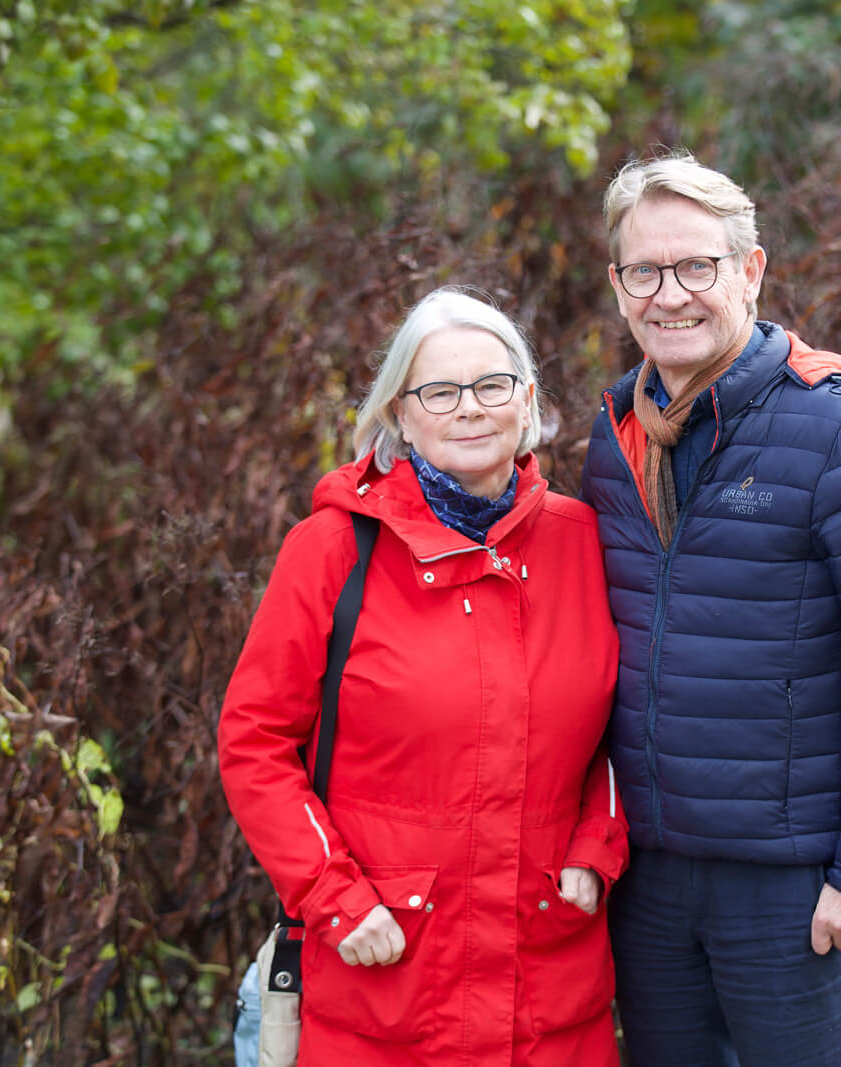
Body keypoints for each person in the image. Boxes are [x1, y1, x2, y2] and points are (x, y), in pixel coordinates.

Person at [580, 152, 841, 1066]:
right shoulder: (615, 434)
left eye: (696, 266)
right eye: (645, 271)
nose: (671, 295)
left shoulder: (837, 427)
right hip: (648, 883)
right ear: (618, 285)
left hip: (791, 888)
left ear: (749, 270)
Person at [219, 286, 628, 1065]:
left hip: (550, 991)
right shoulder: (332, 550)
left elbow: (629, 725)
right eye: (439, 391)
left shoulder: (584, 542)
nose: (469, 407)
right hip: (384, 978)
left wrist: (597, 837)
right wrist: (332, 894)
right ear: (400, 415)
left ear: (528, 401)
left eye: (492, 385)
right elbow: (254, 743)